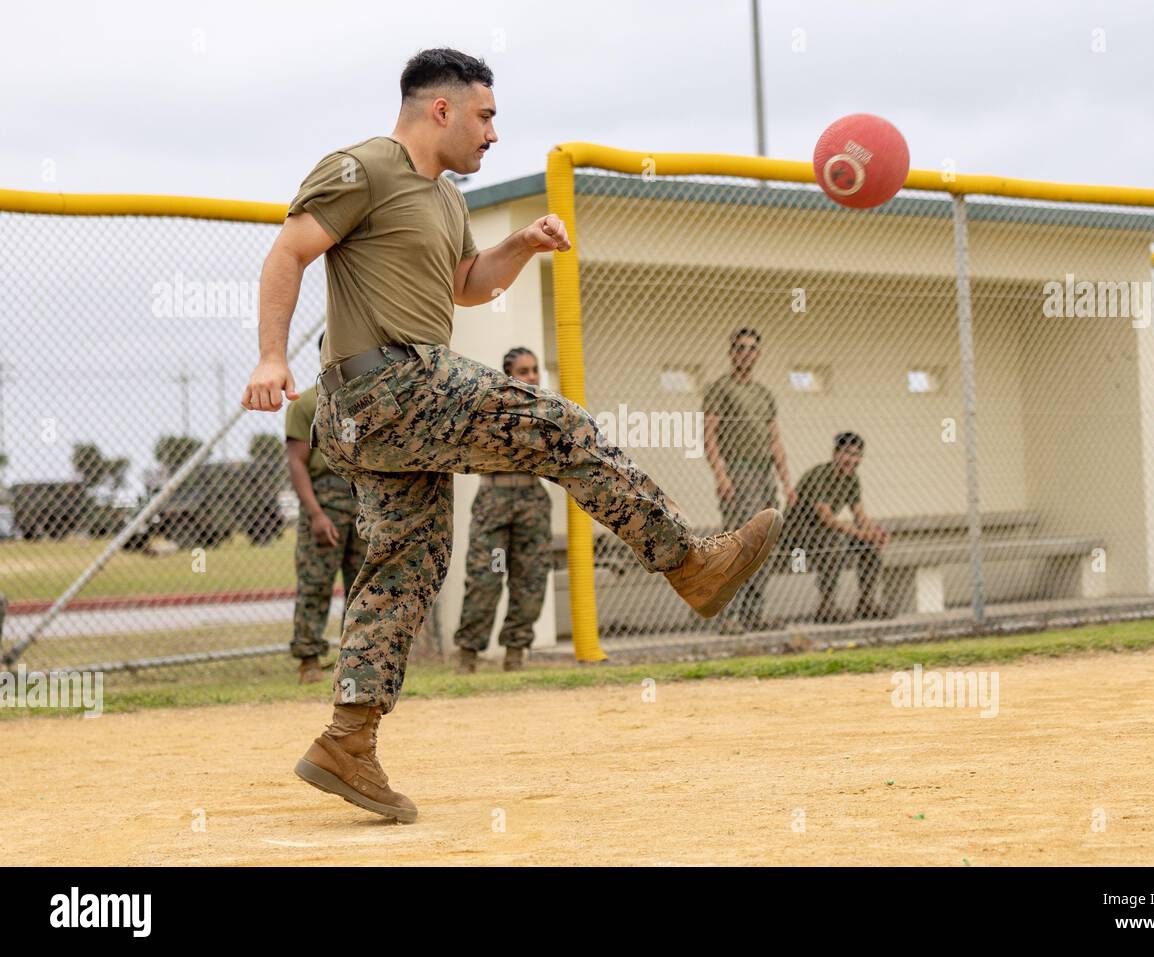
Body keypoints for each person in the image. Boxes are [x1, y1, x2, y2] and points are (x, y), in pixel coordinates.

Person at [241, 47, 781, 823]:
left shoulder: (448, 199)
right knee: (560, 426)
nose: (494, 132)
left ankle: (346, 738)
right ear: (441, 109)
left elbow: (470, 286)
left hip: (394, 412)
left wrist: (522, 244)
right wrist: (268, 355)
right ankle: (689, 562)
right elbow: (288, 251)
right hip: (387, 383)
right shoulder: (363, 167)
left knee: (410, 560)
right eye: (486, 115)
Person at [453, 347, 552, 674]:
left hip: (531, 501)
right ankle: (468, 654)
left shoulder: (545, 410)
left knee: (530, 578)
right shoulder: (489, 408)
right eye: (524, 371)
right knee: (485, 577)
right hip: (494, 501)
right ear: (509, 375)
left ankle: (515, 652)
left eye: (534, 369)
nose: (532, 376)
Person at [702, 327, 795, 632]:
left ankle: (754, 613)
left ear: (758, 354)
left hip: (763, 472)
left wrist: (786, 482)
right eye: (740, 348)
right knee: (739, 544)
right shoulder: (720, 388)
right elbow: (709, 436)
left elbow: (775, 439)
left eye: (752, 348)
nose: (746, 353)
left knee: (762, 544)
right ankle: (730, 616)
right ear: (731, 352)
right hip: (738, 471)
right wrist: (721, 476)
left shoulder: (763, 393)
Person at [284, 332, 364, 684]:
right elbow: (297, 463)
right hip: (325, 498)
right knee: (316, 581)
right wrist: (316, 514)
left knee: (363, 584)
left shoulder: (366, 401)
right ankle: (309, 660)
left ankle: (358, 660)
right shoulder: (305, 404)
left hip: (362, 496)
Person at [783, 432, 891, 623]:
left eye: (858, 455)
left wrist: (875, 533)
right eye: (848, 454)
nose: (854, 460)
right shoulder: (820, 475)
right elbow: (827, 519)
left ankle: (866, 603)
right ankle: (827, 607)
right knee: (836, 541)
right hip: (796, 535)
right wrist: (862, 534)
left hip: (823, 534)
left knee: (869, 545)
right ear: (835, 453)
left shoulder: (852, 479)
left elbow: (860, 516)